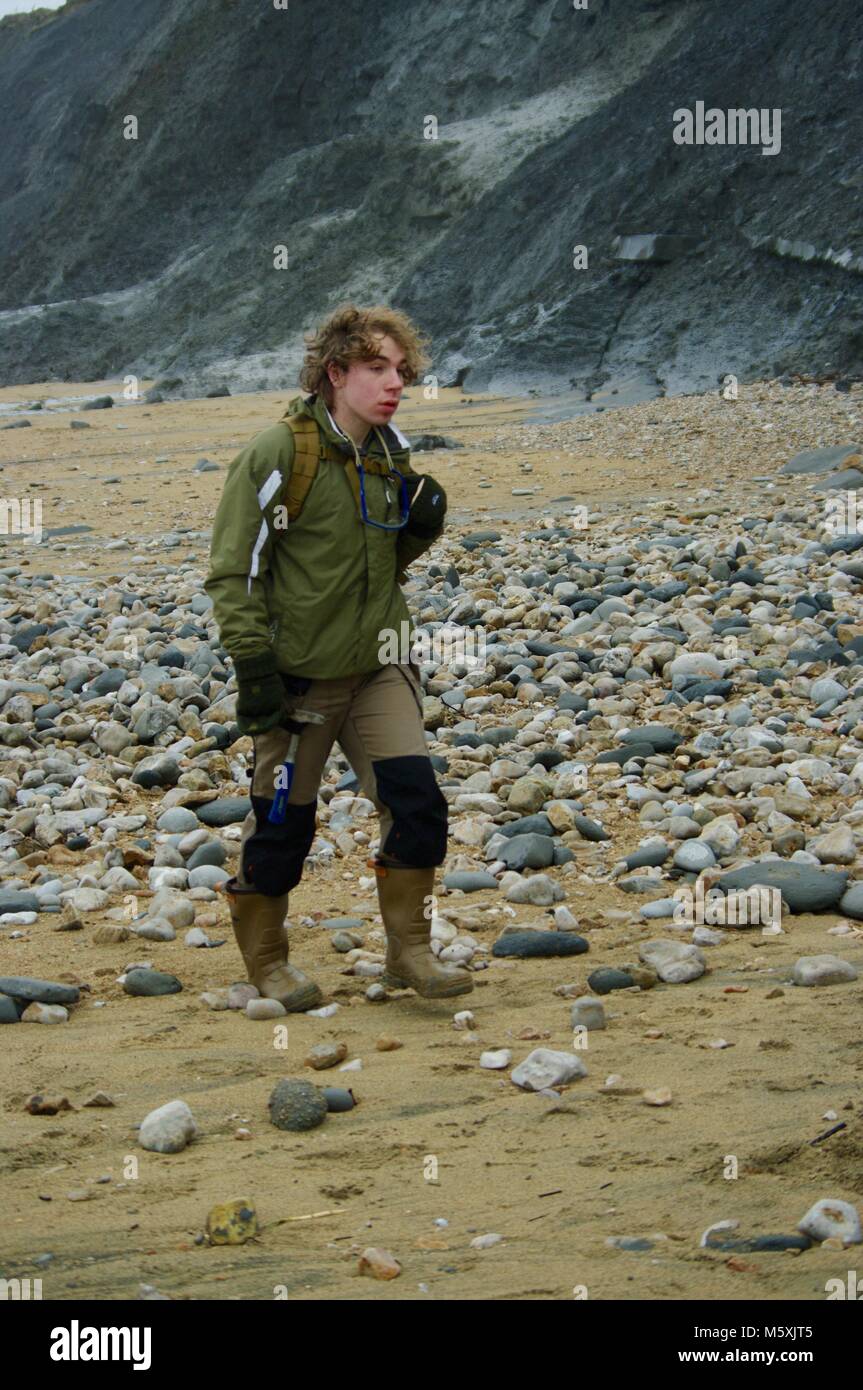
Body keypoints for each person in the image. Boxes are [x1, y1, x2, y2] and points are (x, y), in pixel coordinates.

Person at [204, 303, 473, 1009]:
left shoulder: (389, 452)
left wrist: (420, 532)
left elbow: (384, 564)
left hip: (380, 663)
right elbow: (234, 571)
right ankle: (268, 965)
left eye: (402, 371)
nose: (395, 384)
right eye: (377, 369)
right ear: (335, 372)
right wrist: (254, 666)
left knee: (417, 804)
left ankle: (408, 955)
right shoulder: (277, 454)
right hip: (300, 681)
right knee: (284, 822)